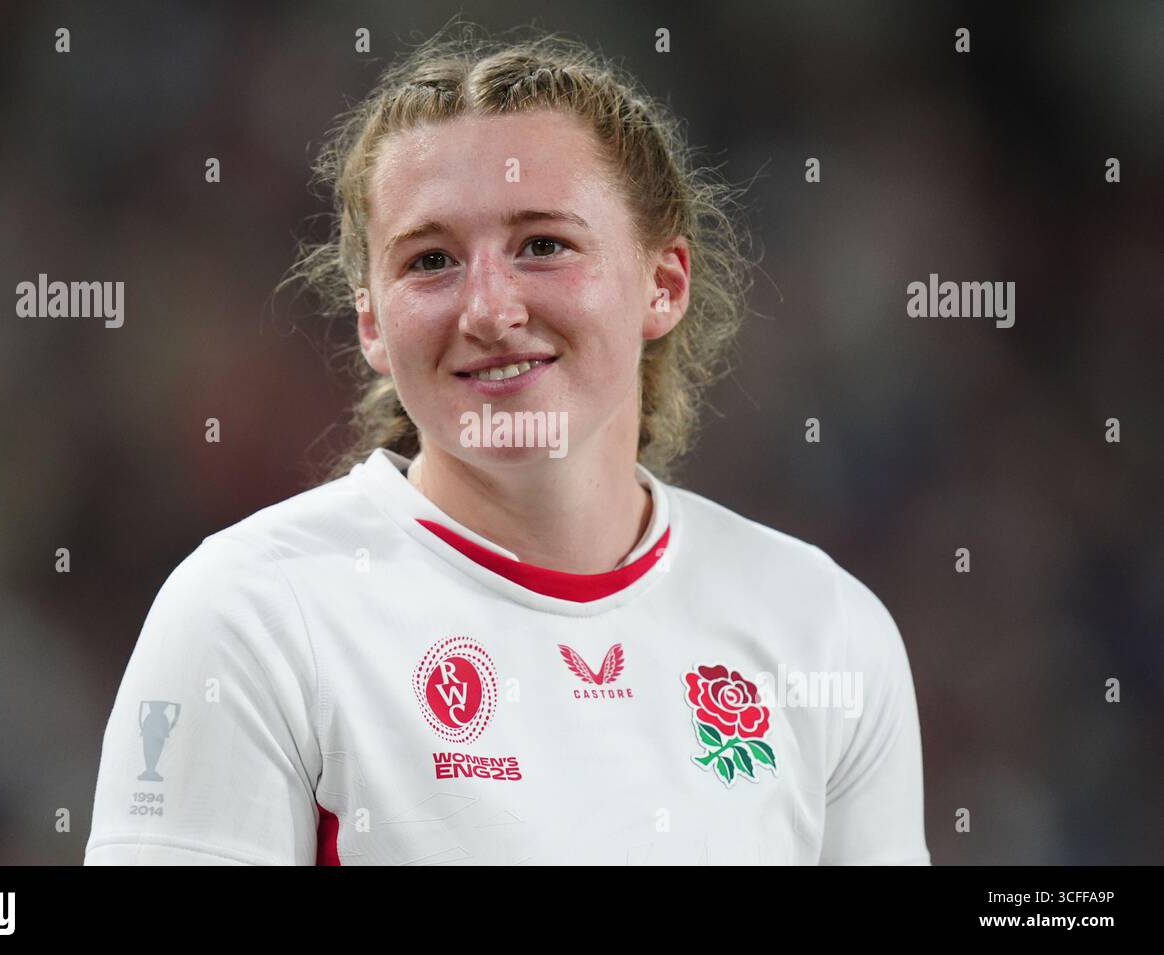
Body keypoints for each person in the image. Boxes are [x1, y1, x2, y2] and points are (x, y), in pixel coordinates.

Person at [84, 24, 930, 865]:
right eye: (430, 261)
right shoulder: (253, 613)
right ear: (371, 321)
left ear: (663, 284)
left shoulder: (824, 629)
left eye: (543, 246)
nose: (490, 310)